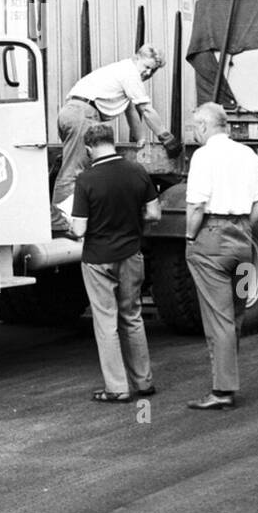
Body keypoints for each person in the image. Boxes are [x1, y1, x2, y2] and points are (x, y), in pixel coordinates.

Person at [68, 122, 161, 402]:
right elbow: (154, 214)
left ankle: (117, 388)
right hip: (131, 254)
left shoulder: (86, 179)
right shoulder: (137, 171)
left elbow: (80, 229)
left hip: (98, 259)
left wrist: (70, 227)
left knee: (106, 323)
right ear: (113, 142)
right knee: (132, 317)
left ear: (88, 148)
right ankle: (144, 383)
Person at [183, 102, 258, 411]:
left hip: (212, 236)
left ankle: (222, 390)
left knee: (218, 318)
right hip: (243, 234)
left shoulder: (203, 156)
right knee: (234, 316)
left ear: (204, 126)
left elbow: (195, 206)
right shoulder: (247, 154)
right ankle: (226, 380)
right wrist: (244, 227)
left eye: (195, 127)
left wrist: (191, 237)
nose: (194, 133)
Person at [53, 44, 177, 229]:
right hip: (83, 115)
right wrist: (166, 137)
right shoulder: (130, 73)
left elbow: (130, 109)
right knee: (74, 172)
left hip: (74, 112)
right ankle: (60, 225)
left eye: (153, 70)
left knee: (81, 169)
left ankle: (72, 220)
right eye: (146, 67)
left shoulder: (121, 71)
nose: (148, 73)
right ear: (136, 59)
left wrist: (140, 138)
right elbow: (146, 109)